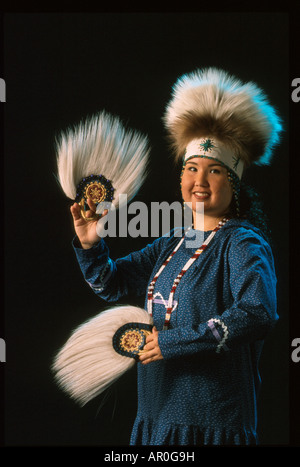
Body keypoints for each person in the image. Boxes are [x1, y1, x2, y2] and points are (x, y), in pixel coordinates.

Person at [69, 68, 282, 445]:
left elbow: (257, 312)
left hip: (212, 422)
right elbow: (111, 283)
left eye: (214, 170)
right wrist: (90, 243)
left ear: (233, 183)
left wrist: (172, 343)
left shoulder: (243, 243)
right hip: (156, 415)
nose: (199, 180)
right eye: (191, 168)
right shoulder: (173, 242)